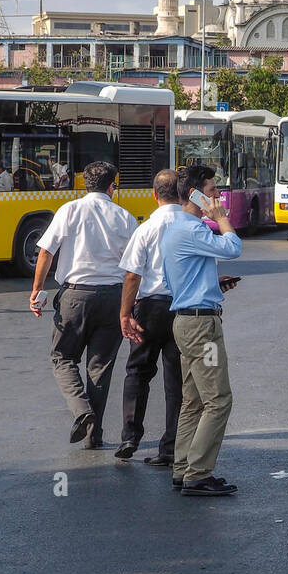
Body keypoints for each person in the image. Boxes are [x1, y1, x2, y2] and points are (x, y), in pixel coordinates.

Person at [30, 160, 138, 449]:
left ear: (84, 183)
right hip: (114, 297)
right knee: (99, 367)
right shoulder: (125, 217)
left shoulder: (69, 210)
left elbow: (46, 252)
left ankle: (82, 411)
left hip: (75, 297)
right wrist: (130, 306)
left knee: (62, 357)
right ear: (112, 185)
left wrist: (37, 290)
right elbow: (134, 268)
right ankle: (94, 435)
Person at [162, 165, 243, 497]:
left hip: (187, 319)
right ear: (194, 193)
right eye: (212, 191)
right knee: (219, 399)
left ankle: (183, 468)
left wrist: (213, 283)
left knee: (194, 400)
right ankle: (198, 472)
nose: (217, 197)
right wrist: (222, 217)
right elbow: (233, 248)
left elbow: (184, 275)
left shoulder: (177, 228)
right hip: (201, 328)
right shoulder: (192, 230)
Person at [115, 169, 186, 465]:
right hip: (182, 308)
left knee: (138, 373)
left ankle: (130, 436)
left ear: (154, 194)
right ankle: (170, 447)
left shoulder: (145, 228)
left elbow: (133, 275)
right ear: (182, 195)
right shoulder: (191, 225)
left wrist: (125, 314)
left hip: (149, 307)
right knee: (176, 380)